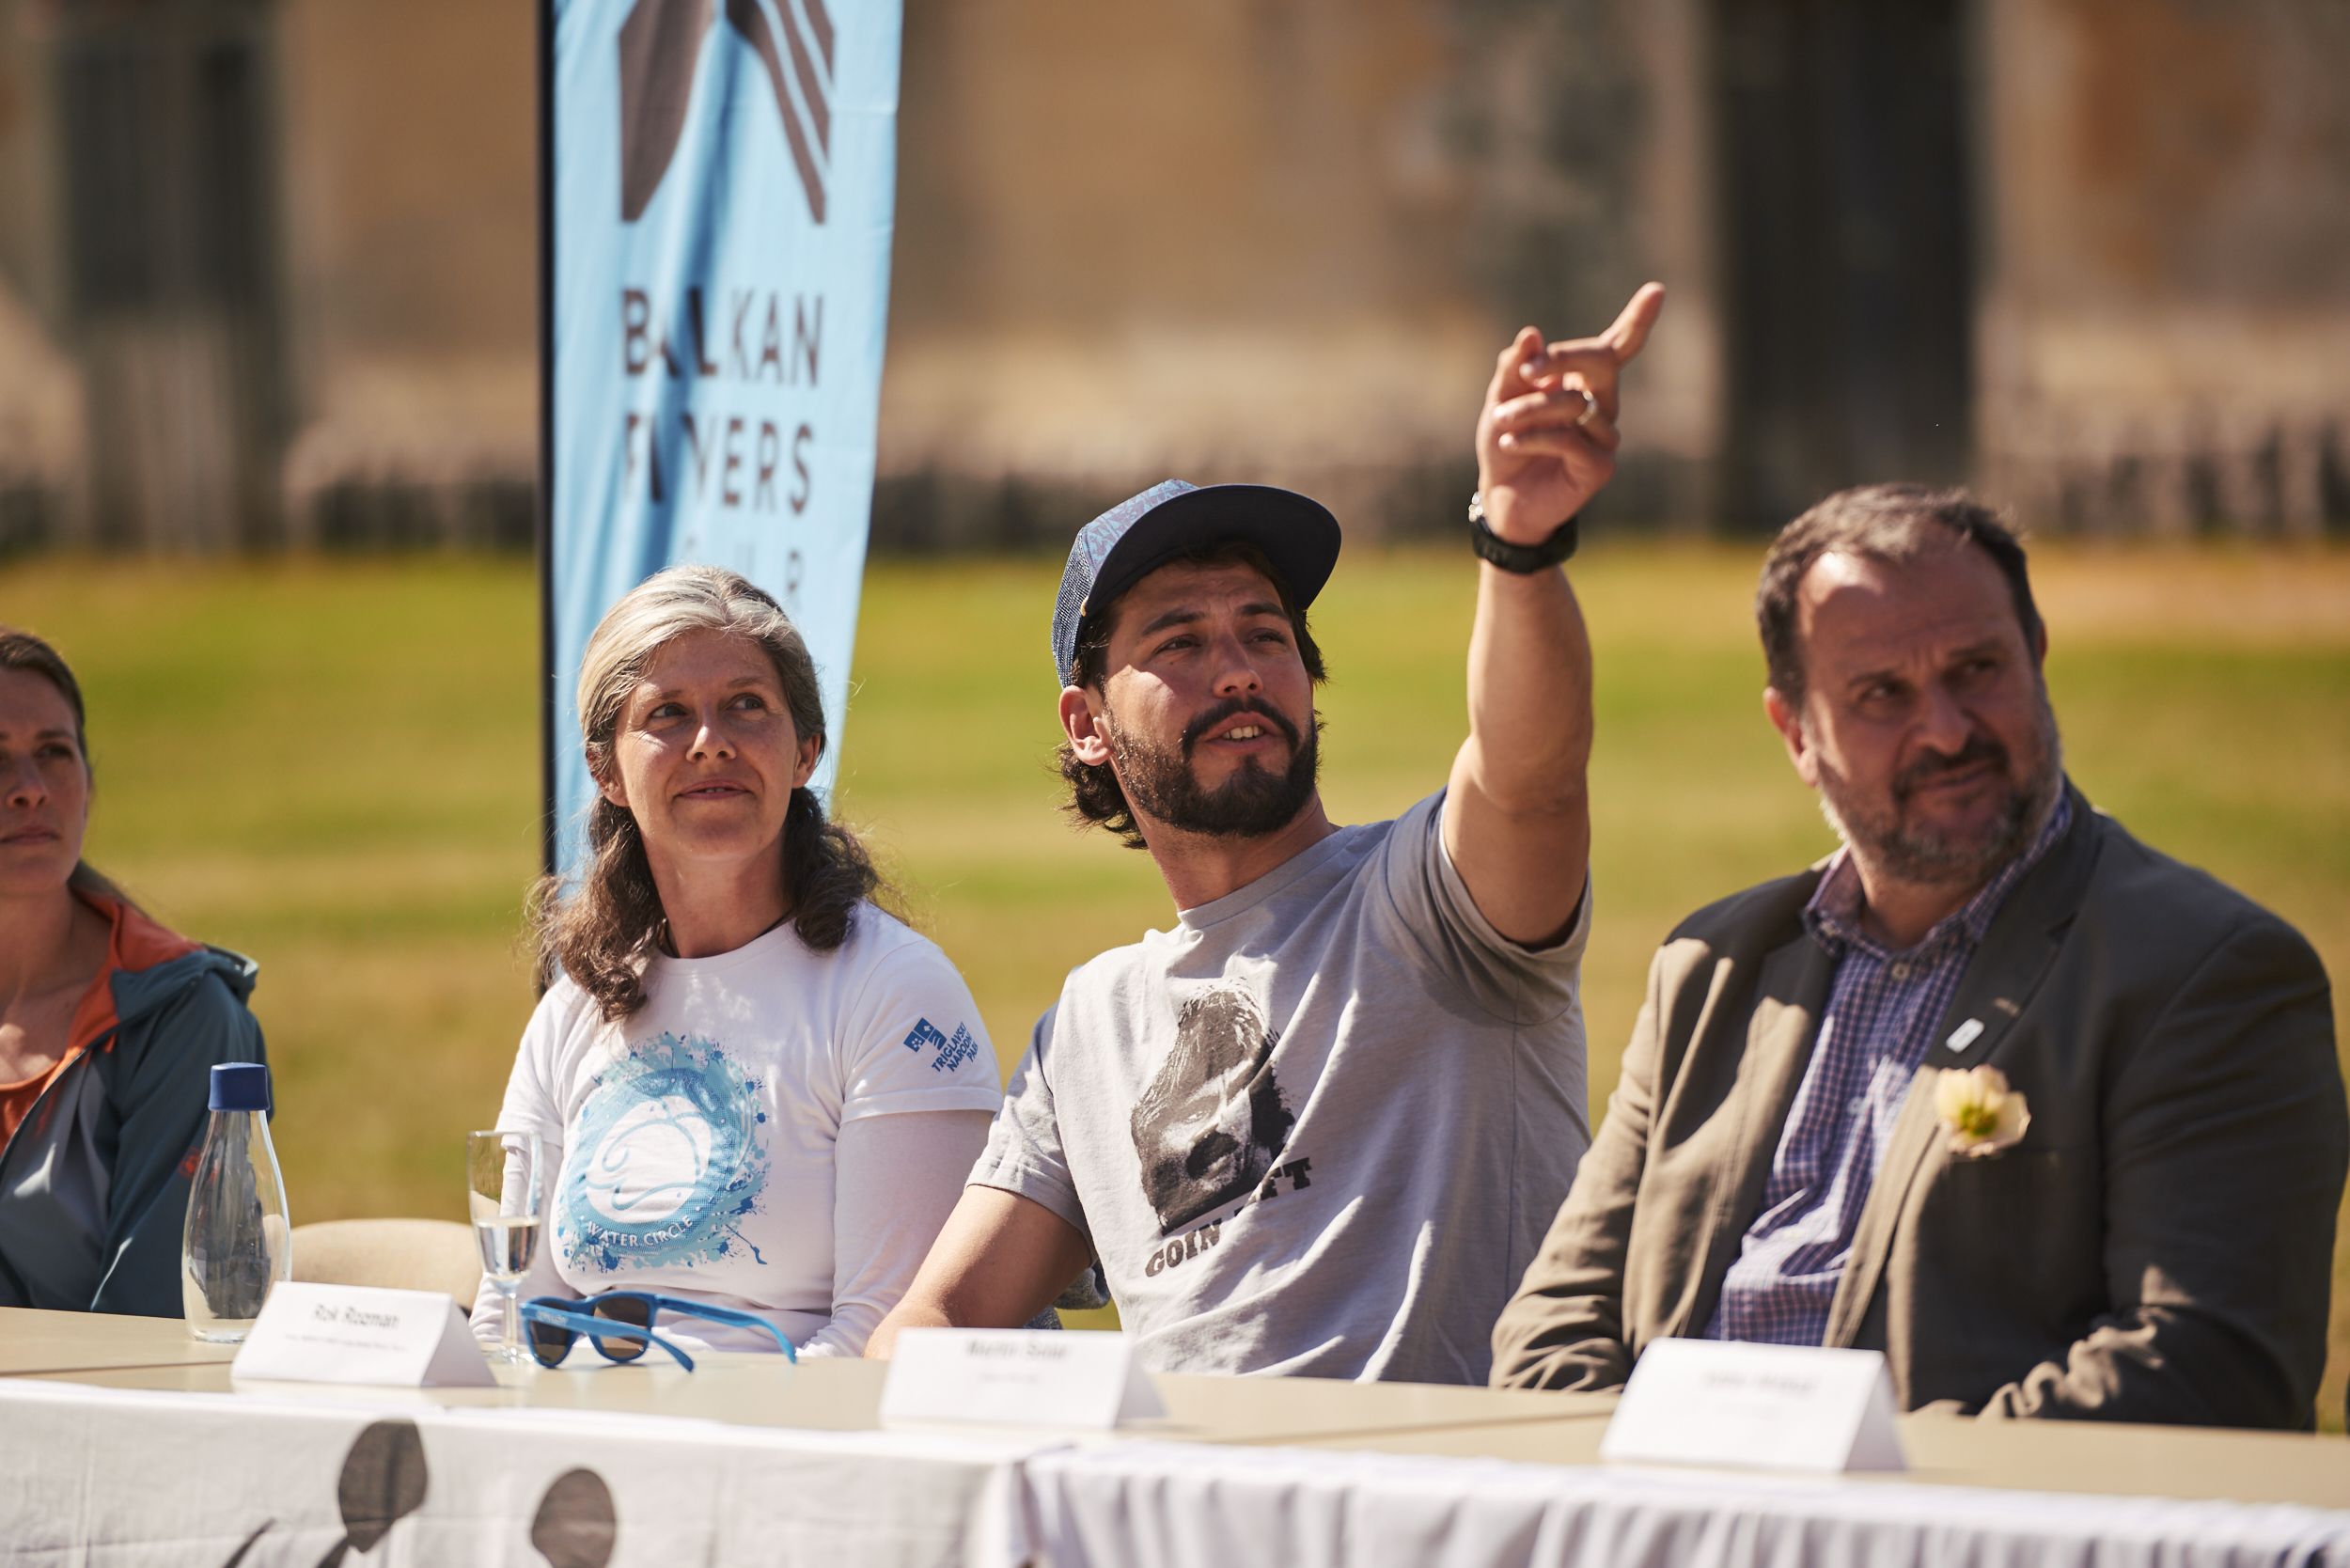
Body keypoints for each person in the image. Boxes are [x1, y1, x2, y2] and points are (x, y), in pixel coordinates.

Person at [868, 286, 1669, 1383]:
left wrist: (1517, 546)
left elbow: (1528, 779)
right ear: (1086, 724)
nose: (1238, 664)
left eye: (1264, 630)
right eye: (1180, 640)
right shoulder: (1088, 1028)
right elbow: (942, 1317)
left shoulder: (1427, 905)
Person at [1490, 484, 2347, 1427]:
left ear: (2037, 660)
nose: (1944, 730)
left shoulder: (2206, 974)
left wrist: (1857, 1491)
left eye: (1977, 669)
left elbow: (2205, 1371)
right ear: (1796, 735)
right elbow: (1557, 1320)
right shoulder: (1710, 968)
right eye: (1881, 695)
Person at [473, 567, 1002, 1357]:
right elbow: (513, 1316)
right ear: (606, 770)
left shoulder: (896, 993)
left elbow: (887, 1341)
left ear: (806, 751)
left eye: (747, 706)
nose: (710, 739)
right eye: (668, 714)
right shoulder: (571, 1011)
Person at [0, 628, 267, 1317]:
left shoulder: (186, 1017)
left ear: (87, 787)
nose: (28, 789)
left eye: (53, 753)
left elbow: (154, 1321)